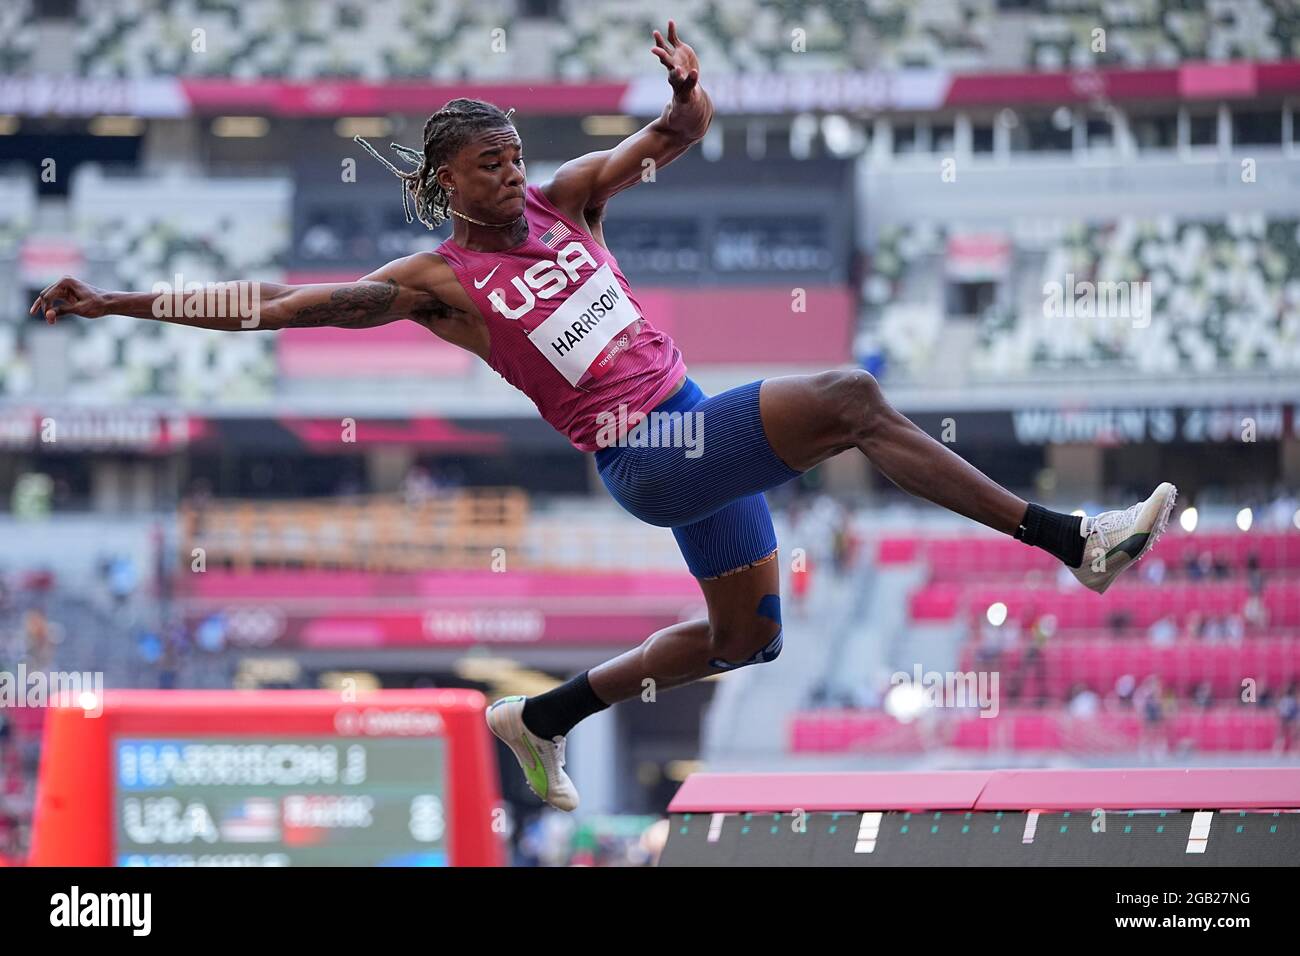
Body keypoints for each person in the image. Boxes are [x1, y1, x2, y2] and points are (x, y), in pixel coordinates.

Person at [27, 20, 1177, 813]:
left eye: (517, 152)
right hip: (646, 452)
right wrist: (116, 298)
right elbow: (273, 309)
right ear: (444, 183)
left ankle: (541, 715)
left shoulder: (567, 197)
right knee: (850, 398)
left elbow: (676, 139)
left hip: (688, 421)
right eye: (489, 163)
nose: (513, 172)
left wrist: (683, 94)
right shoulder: (432, 284)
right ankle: (1071, 537)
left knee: (748, 641)